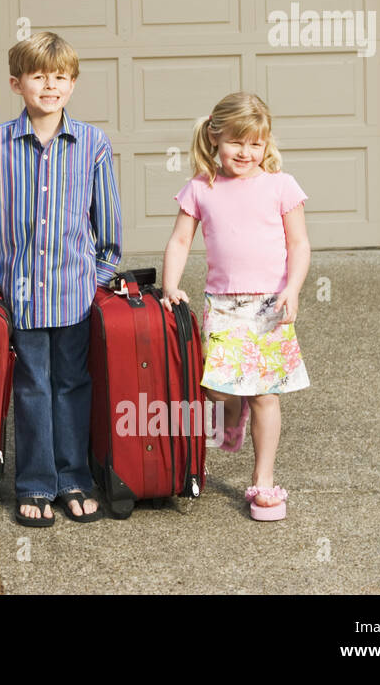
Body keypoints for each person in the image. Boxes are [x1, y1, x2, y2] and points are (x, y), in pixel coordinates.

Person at [0, 31, 122, 527]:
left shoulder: (93, 143)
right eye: (39, 76)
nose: (50, 86)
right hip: (22, 294)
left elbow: (105, 216)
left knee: (71, 384)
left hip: (73, 293)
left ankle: (73, 478)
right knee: (30, 387)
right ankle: (34, 483)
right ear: (16, 82)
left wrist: (103, 271)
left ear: (73, 84)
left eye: (61, 77)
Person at [160, 92, 310, 522]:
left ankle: (263, 481)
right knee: (216, 387)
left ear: (267, 144)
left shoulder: (281, 185)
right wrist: (171, 285)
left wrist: (293, 288)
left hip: (269, 306)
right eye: (237, 142)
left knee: (266, 393)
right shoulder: (200, 188)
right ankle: (231, 411)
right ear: (215, 137)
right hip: (222, 305)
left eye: (256, 144)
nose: (247, 153)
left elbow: (299, 243)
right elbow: (180, 242)